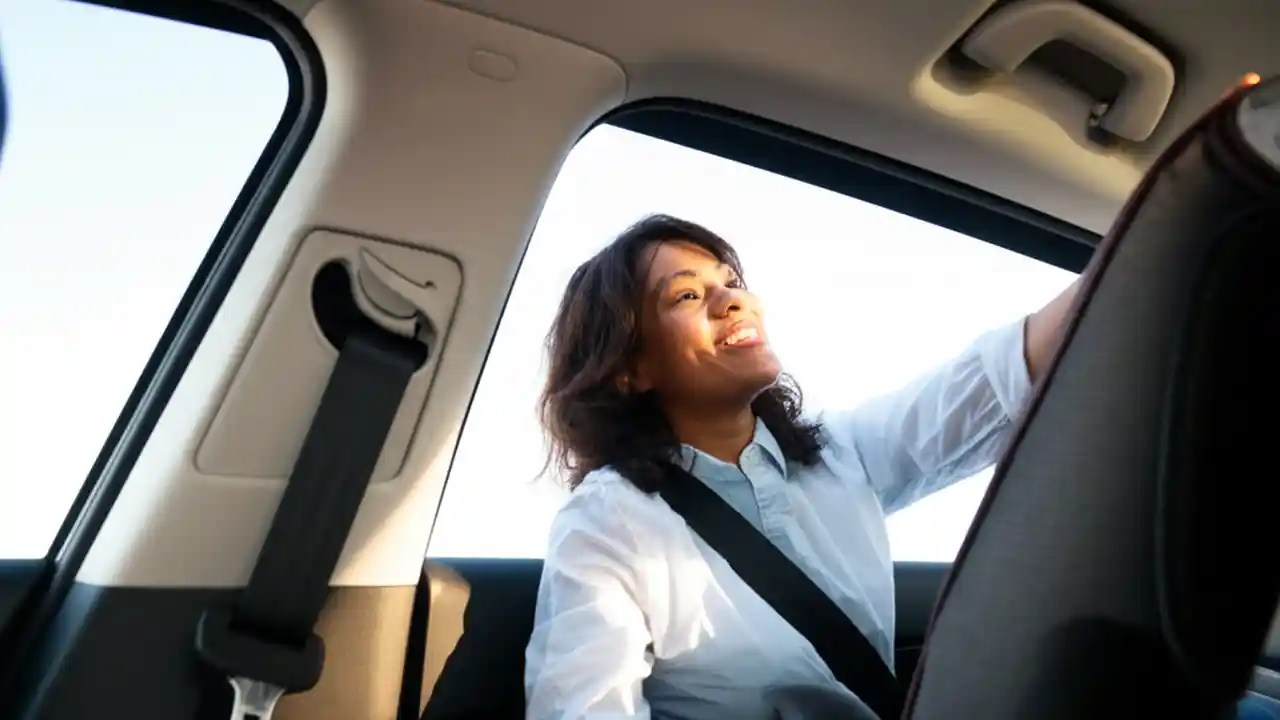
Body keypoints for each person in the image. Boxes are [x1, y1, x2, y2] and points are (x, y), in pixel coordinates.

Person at [520, 214, 1268, 719]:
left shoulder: (837, 455)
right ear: (629, 370)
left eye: (728, 279)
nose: (729, 300)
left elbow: (998, 374)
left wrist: (1181, 222)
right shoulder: (608, 523)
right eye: (687, 295)